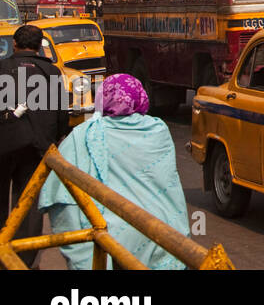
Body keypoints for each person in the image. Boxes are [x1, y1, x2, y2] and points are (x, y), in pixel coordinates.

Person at [38, 74, 189, 269]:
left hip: (108, 240)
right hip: (163, 236)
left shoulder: (84, 134)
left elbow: (60, 195)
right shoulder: (158, 130)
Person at [0, 24, 68, 266]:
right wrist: (55, 138)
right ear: (40, 47)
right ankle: (23, 258)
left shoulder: (2, 67)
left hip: (3, 143)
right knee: (28, 201)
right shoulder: (51, 71)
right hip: (37, 146)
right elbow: (62, 113)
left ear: (15, 44)